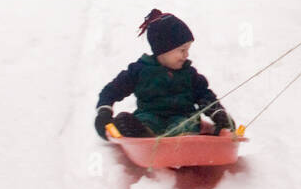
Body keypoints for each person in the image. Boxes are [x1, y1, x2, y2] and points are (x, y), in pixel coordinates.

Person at [94, 8, 235, 140]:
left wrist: (219, 114)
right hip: (149, 117)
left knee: (187, 124)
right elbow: (112, 90)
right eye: (182, 50)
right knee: (127, 121)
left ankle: (182, 141)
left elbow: (205, 96)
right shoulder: (140, 70)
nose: (186, 55)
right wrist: (104, 112)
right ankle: (144, 136)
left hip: (182, 118)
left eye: (187, 49)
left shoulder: (189, 74)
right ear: (164, 49)